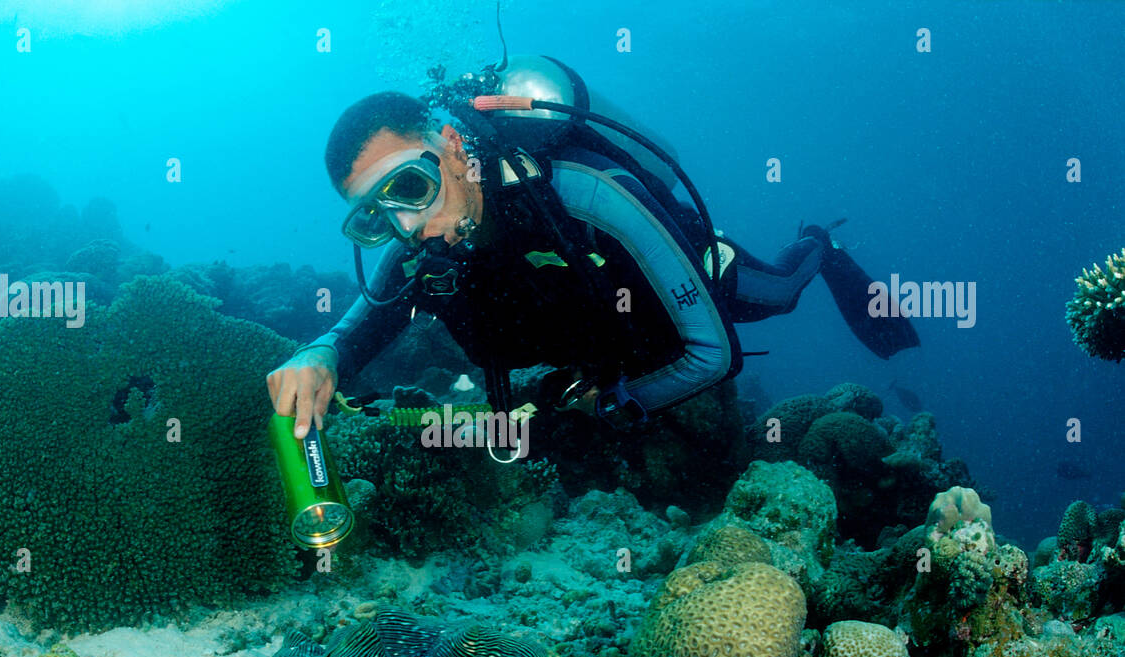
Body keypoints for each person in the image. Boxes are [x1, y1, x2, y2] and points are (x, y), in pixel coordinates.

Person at [267, 56, 918, 440]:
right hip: (594, 330)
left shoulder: (584, 192)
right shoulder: (427, 242)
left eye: (410, 186)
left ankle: (819, 244)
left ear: (455, 150)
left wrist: (611, 403)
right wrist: (319, 357)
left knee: (778, 293)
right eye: (376, 216)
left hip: (673, 278)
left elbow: (715, 354)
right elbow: (362, 324)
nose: (407, 228)